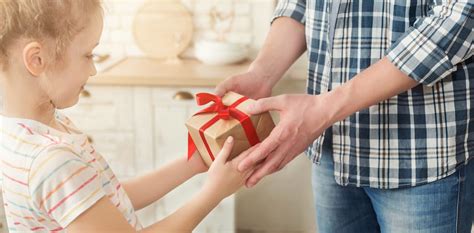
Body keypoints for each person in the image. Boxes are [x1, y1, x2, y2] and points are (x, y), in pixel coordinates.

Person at [216, 0, 473, 232]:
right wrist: (262, 74)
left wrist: (324, 109)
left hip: (418, 154)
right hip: (333, 150)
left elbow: (461, 15)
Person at [0, 1, 256, 232]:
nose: (94, 69)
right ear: (37, 59)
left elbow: (110, 198)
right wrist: (213, 194)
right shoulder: (52, 161)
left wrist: (193, 165)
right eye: (88, 55)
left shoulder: (30, 132)